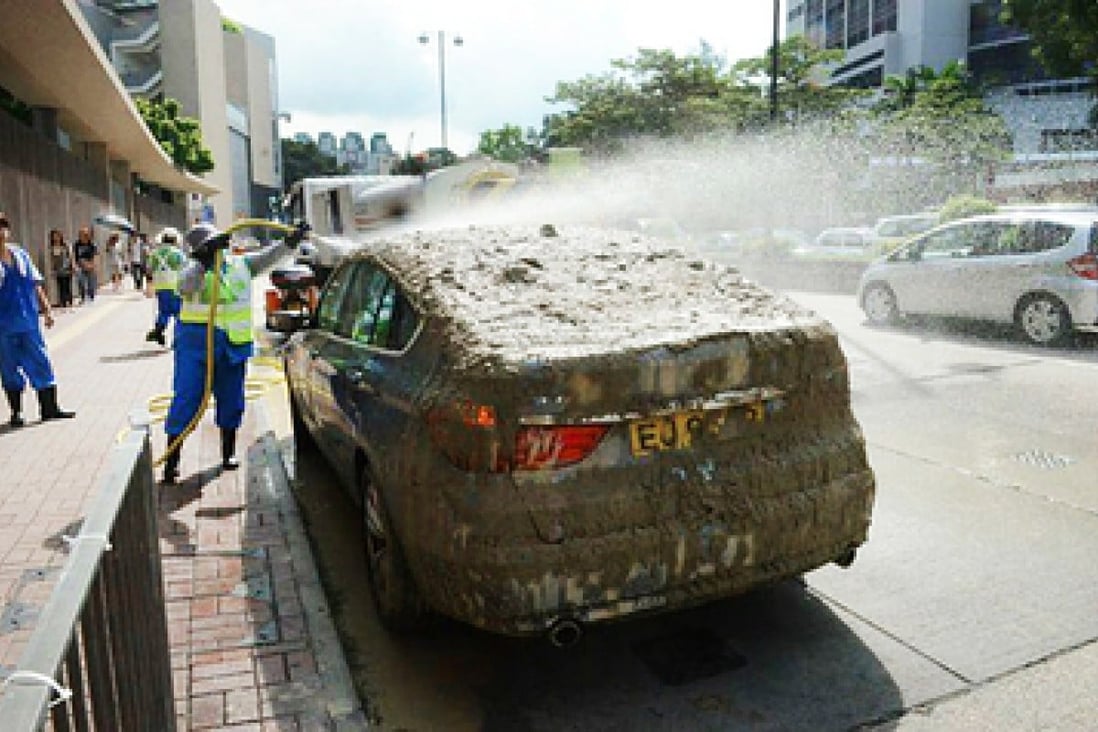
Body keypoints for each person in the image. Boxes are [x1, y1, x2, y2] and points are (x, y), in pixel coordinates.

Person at [161, 221, 307, 483]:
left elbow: (268, 257)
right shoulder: (190, 268)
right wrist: (203, 262)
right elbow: (185, 287)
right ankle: (172, 460)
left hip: (232, 348)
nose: (221, 248)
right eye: (213, 245)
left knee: (232, 401)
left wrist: (290, 242)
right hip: (196, 348)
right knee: (186, 401)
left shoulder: (241, 265)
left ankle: (227, 453)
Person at [0, 212, 75, 427]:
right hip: (4, 325)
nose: (1, 231)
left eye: (3, 225)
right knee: (9, 368)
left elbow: (35, 282)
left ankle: (49, 408)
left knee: (41, 362)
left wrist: (47, 309)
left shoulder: (20, 254)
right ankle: (16, 411)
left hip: (28, 321)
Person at [145, 227, 187, 346]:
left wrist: (149, 285)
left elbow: (149, 270)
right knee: (179, 315)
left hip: (160, 287)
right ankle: (177, 340)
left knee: (164, 311)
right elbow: (185, 269)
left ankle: (159, 330)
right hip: (175, 287)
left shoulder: (154, 254)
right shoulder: (177, 253)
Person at [48, 229, 74, 308]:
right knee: (60, 285)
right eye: (54, 236)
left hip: (67, 268)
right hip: (58, 269)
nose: (56, 238)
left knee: (67, 285)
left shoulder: (66, 245)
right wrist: (52, 269)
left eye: (57, 236)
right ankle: (63, 302)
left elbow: (70, 256)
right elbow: (52, 259)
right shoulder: (52, 247)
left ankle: (69, 301)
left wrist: (72, 265)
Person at [72, 226, 97, 303]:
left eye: (86, 233)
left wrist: (93, 265)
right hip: (80, 265)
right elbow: (73, 255)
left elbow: (95, 255)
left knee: (91, 282)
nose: (84, 235)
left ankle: (91, 296)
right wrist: (74, 265)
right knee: (81, 282)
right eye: (82, 233)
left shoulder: (92, 244)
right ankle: (83, 297)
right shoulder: (76, 244)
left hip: (90, 264)